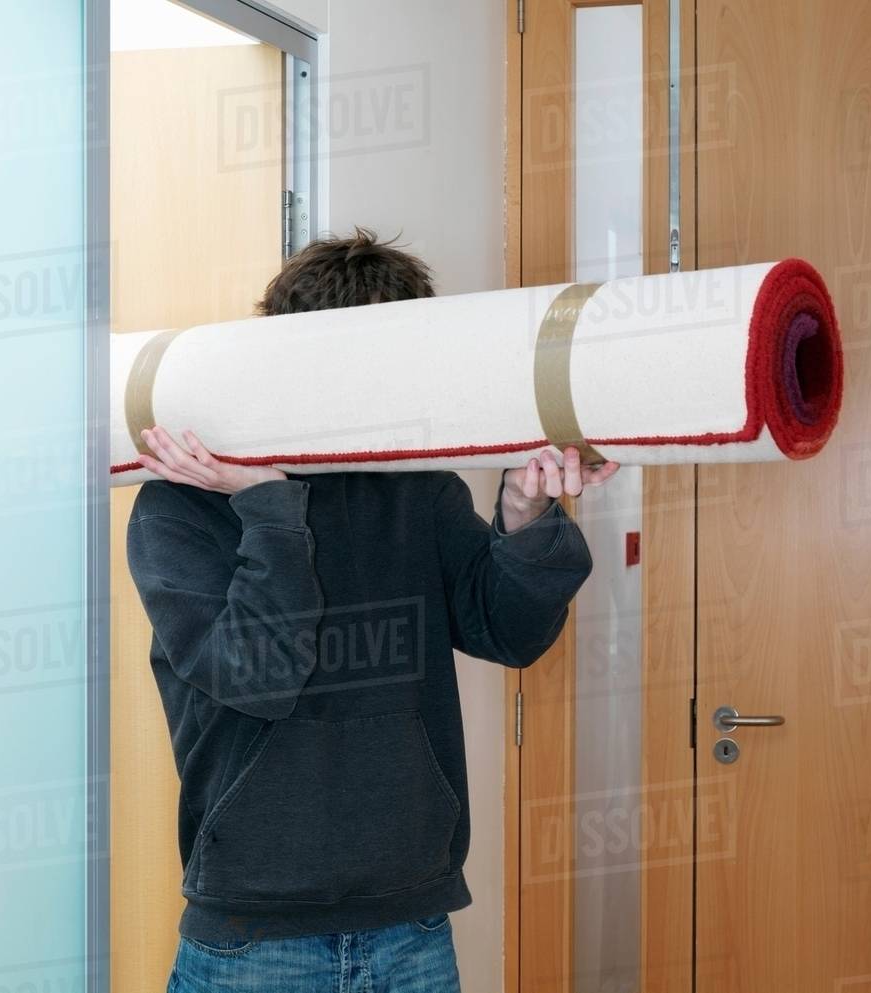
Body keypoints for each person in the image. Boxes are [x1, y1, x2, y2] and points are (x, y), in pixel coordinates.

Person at [126, 228, 619, 993]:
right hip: (255, 940)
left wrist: (524, 510)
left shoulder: (416, 488)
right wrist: (267, 505)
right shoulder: (181, 506)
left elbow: (511, 631)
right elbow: (258, 676)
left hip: (411, 928)